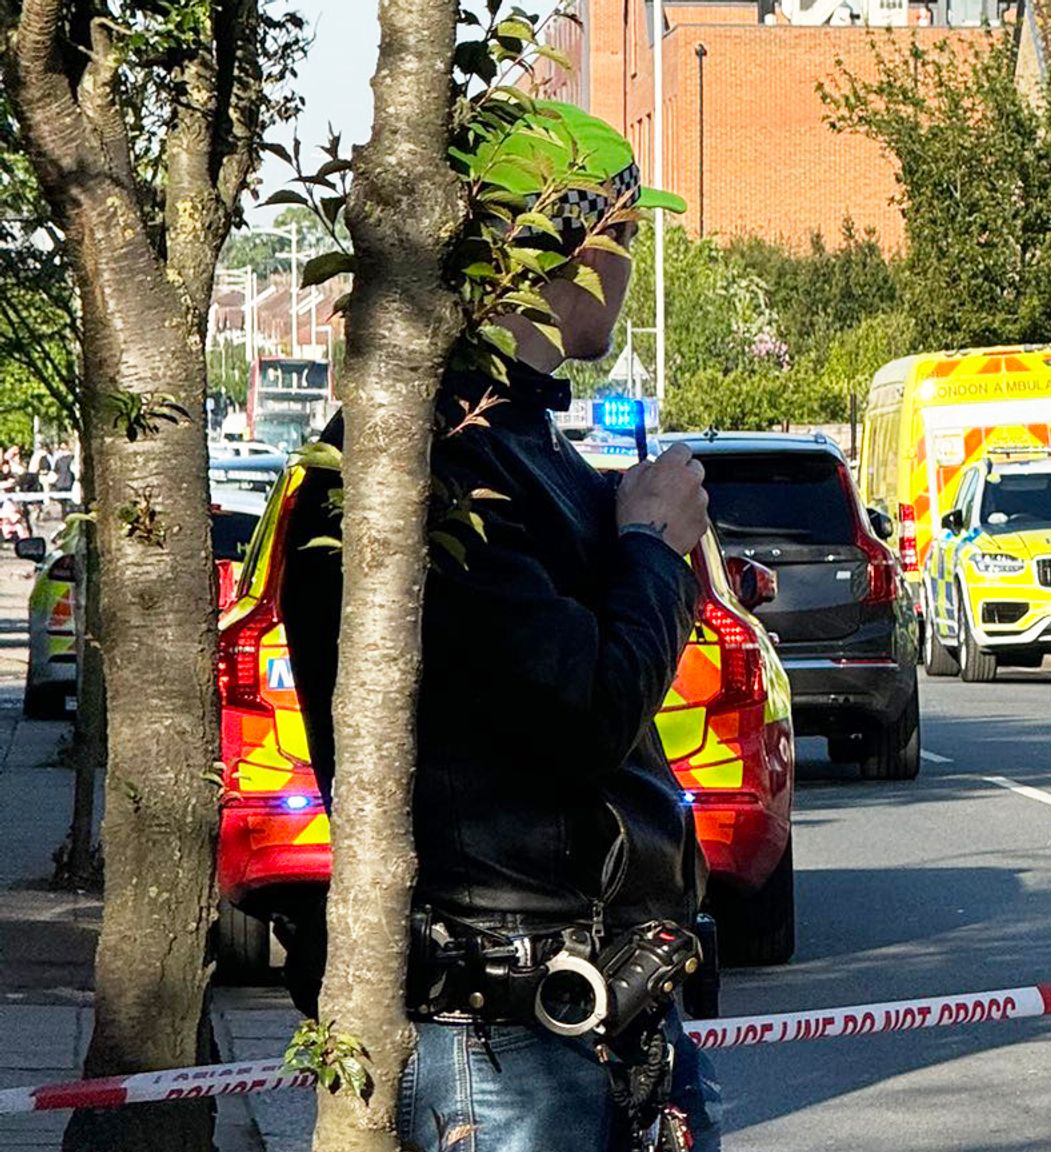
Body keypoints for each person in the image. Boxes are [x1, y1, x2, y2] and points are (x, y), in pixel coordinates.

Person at [276, 101, 721, 1152]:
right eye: (625, 236)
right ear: (582, 243)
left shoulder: (504, 442)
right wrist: (652, 546)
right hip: (510, 1026)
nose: (626, 268)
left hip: (580, 1005)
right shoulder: (439, 462)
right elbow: (584, 709)